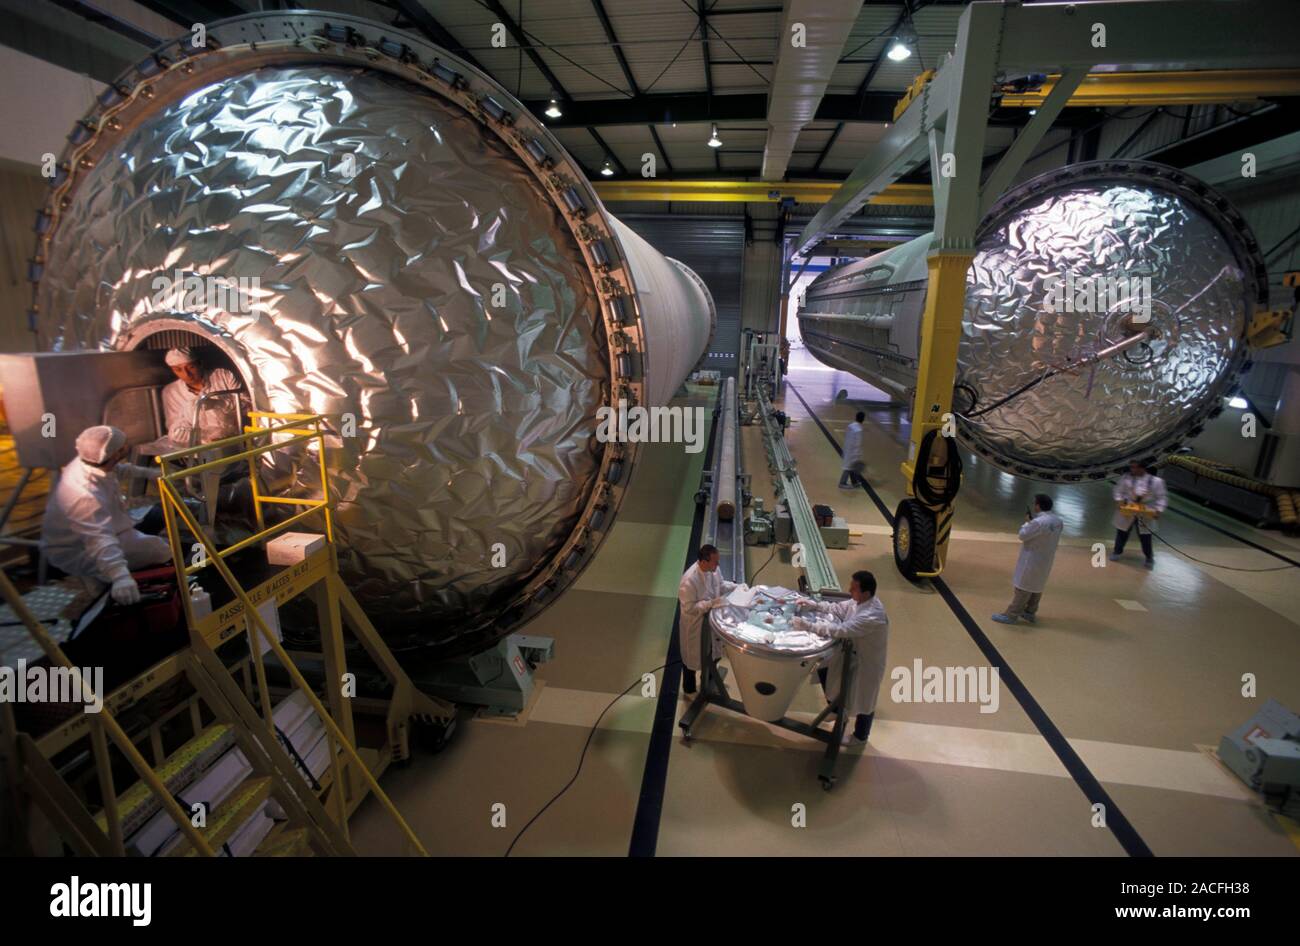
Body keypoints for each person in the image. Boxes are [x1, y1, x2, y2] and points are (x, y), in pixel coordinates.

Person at [42, 426, 171, 605]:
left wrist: (152, 474)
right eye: (123, 447)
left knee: (155, 514)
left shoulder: (90, 462)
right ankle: (101, 580)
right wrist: (120, 576)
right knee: (162, 551)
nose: (127, 447)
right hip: (78, 549)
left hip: (106, 528)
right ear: (116, 453)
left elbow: (118, 469)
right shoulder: (84, 494)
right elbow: (99, 539)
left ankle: (103, 574)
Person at [792, 570, 889, 745]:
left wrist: (809, 626)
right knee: (825, 670)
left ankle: (860, 737)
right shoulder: (858, 601)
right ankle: (837, 712)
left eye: (853, 589)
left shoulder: (871, 615)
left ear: (866, 593)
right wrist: (812, 604)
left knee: (865, 701)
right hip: (851, 654)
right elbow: (836, 608)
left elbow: (841, 630)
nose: (849, 591)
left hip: (867, 664)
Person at [677, 544, 743, 695]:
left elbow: (720, 585)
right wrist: (710, 604)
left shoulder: (714, 569)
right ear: (703, 561)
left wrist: (736, 587)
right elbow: (689, 609)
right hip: (695, 626)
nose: (718, 565)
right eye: (715, 562)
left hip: (712, 621)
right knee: (691, 662)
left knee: (715, 653)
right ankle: (690, 689)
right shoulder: (689, 581)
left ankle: (709, 681)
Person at [992, 493, 1063, 625]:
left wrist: (1027, 522)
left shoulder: (1038, 522)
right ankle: (1030, 612)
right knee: (1037, 586)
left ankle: (1011, 615)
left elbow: (1023, 536)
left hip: (1032, 558)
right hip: (1046, 559)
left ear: (1038, 506)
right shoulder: (1058, 521)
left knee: (1023, 587)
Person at [161, 347, 247, 450]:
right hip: (199, 449)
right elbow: (174, 427)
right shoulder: (171, 391)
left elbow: (248, 406)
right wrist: (202, 437)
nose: (186, 374)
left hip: (237, 441)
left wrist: (219, 404)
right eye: (178, 370)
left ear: (200, 364)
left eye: (191, 367)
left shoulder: (223, 376)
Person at [1111, 461, 1167, 569]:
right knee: (1122, 531)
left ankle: (1149, 557)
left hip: (1145, 509)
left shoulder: (1156, 482)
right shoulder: (1126, 478)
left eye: (1136, 468)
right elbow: (1118, 491)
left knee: (1145, 535)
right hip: (1129, 507)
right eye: (1132, 467)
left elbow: (1161, 498)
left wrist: (1158, 510)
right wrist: (1119, 501)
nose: (1133, 470)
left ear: (1143, 468)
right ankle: (1117, 552)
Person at [839, 411, 866, 489]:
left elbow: (846, 438)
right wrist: (858, 454)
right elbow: (857, 444)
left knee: (851, 468)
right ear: (863, 419)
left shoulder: (850, 426)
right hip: (852, 452)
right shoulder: (859, 430)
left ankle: (854, 482)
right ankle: (842, 483)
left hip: (846, 449)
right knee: (848, 468)